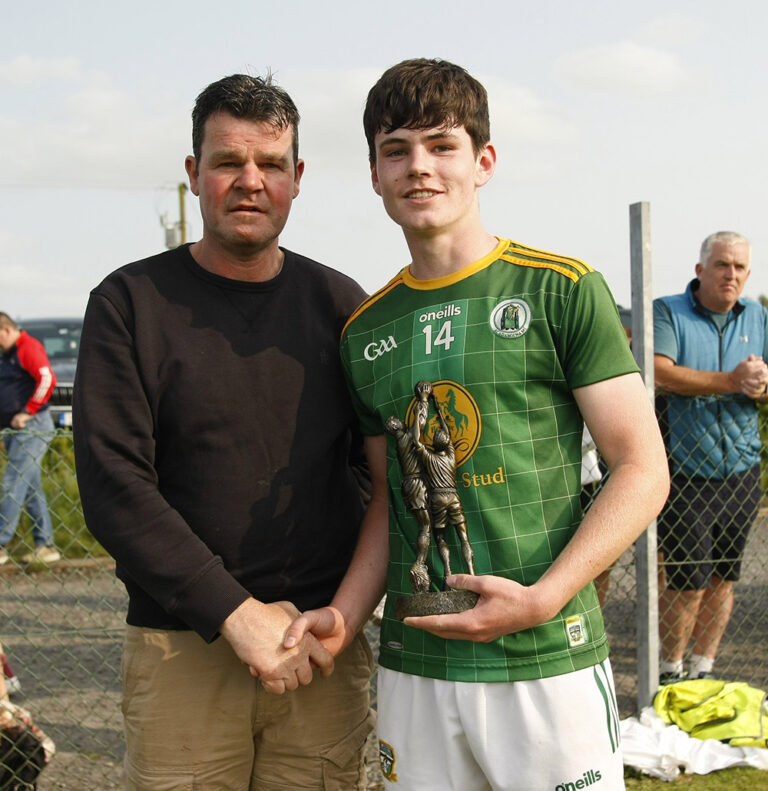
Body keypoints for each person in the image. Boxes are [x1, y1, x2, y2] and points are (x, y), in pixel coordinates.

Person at [285, 58, 669, 790]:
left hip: (545, 656)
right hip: (418, 664)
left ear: (484, 161)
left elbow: (642, 467)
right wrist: (344, 611)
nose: (418, 167)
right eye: (395, 150)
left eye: (441, 144)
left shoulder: (561, 289)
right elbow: (387, 501)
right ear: (373, 173)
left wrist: (546, 595)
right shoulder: (365, 331)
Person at [72, 73, 375, 789]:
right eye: (226, 162)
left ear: (297, 178)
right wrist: (237, 615)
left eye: (270, 164)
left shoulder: (341, 304)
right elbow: (115, 487)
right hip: (183, 649)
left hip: (319, 653)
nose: (249, 181)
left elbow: (373, 471)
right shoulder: (128, 303)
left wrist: (327, 611)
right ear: (193, 174)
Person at [654, 231, 768, 685]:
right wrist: (732, 381)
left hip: (741, 468)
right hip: (686, 469)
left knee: (724, 578)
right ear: (700, 270)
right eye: (722, 265)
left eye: (740, 267)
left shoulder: (757, 315)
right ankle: (670, 672)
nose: (732, 275)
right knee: (686, 581)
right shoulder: (669, 311)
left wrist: (759, 384)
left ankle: (704, 670)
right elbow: (660, 372)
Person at [0, 313, 60, 567]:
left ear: (4, 330)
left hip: (31, 427)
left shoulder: (27, 347)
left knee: (12, 481)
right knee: (29, 486)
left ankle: (1, 543)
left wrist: (27, 411)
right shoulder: (7, 354)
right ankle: (45, 545)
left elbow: (47, 379)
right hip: (14, 430)